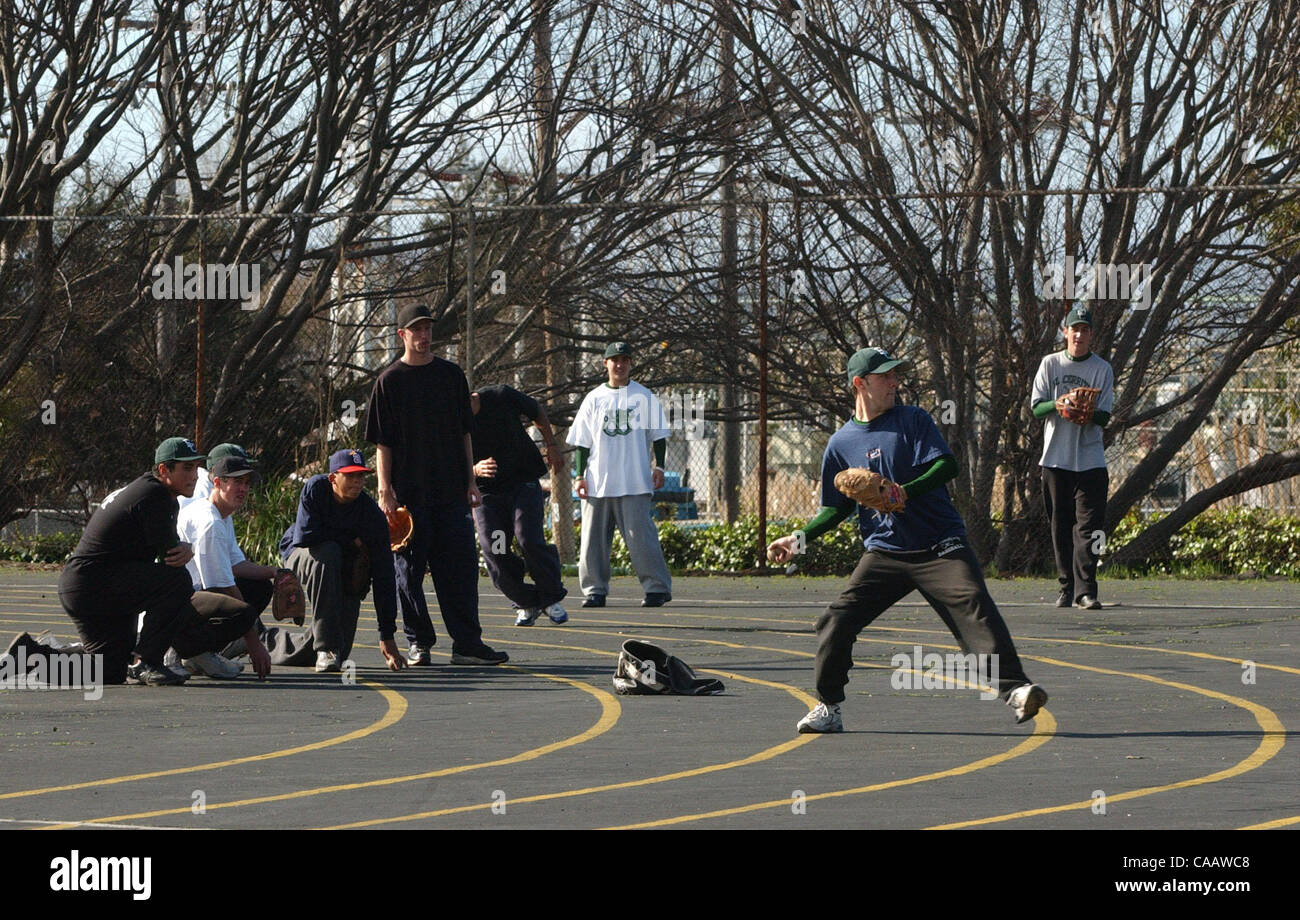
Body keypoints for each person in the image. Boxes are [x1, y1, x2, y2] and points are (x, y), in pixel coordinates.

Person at [767, 347, 1049, 734]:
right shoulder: (840, 444)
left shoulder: (913, 419)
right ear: (859, 384)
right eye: (885, 377)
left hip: (939, 545)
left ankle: (1016, 690)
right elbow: (836, 508)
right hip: (885, 552)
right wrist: (798, 537)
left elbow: (945, 465)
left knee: (973, 604)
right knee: (836, 620)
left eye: (895, 375)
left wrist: (905, 492)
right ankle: (829, 707)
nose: (894, 382)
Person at [364, 305, 507, 666]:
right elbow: (383, 443)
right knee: (409, 571)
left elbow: (465, 434)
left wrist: (471, 482)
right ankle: (419, 642)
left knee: (458, 570)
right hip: (409, 493)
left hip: (450, 492)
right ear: (402, 336)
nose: (424, 336)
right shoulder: (390, 381)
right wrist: (385, 490)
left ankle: (467, 645)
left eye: (427, 328)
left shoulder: (451, 375)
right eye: (416, 330)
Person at [57, 437, 223, 685]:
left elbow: (165, 556)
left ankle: (30, 655)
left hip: (90, 585)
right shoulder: (154, 494)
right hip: (94, 585)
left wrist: (182, 550)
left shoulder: (157, 492)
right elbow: (172, 558)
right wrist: (186, 550)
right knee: (177, 580)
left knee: (109, 672)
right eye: (187, 468)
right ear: (165, 470)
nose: (195, 476)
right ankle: (148, 661)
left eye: (196, 467)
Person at [175, 453, 302, 679]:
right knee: (241, 610)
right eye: (236, 482)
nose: (243, 489)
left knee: (259, 586)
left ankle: (207, 651)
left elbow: (236, 564)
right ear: (217, 483)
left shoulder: (223, 514)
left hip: (190, 598)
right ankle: (190, 652)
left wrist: (275, 572)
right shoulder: (210, 523)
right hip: (175, 608)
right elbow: (220, 587)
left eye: (246, 483)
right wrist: (255, 644)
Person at [279, 449, 407, 672]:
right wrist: (351, 541)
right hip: (300, 554)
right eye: (350, 476)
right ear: (332, 478)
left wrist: (387, 635)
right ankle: (325, 648)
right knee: (329, 552)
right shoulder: (316, 489)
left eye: (361, 476)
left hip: (341, 563)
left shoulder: (371, 515)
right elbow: (305, 537)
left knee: (342, 648)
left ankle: (264, 641)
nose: (357, 482)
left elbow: (385, 574)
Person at [566, 341, 672, 608]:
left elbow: (658, 436)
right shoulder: (594, 398)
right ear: (606, 364)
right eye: (614, 359)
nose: (619, 364)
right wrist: (579, 475)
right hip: (598, 482)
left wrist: (658, 467)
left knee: (642, 539)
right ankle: (594, 590)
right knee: (593, 542)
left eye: (624, 359)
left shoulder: (644, 397)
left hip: (634, 480)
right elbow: (582, 441)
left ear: (630, 363)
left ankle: (656, 589)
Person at [1031, 306, 1114, 610]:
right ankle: (1067, 588)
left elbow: (1105, 416)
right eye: (1074, 329)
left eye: (1085, 330)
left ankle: (1086, 591)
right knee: (1060, 524)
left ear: (1092, 335)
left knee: (1089, 528)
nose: (1079, 335)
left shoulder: (1101, 369)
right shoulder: (1050, 364)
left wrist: (1086, 411)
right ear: (1064, 332)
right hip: (1055, 458)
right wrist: (1061, 403)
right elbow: (1037, 407)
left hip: (1090, 460)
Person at [469, 384, 569, 626]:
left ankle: (550, 596)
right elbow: (448, 460)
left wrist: (551, 445)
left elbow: (536, 411)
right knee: (497, 548)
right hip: (489, 496)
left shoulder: (500, 396)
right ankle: (527, 601)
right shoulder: (450, 420)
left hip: (522, 484)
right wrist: (475, 469)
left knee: (528, 538)